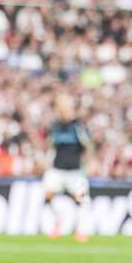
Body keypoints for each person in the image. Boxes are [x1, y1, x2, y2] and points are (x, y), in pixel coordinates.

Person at [42, 93, 91, 243]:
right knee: (48, 196)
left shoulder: (79, 126)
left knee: (81, 200)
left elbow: (88, 146)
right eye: (61, 106)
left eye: (66, 106)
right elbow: (50, 145)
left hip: (77, 170)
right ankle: (58, 220)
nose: (63, 110)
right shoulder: (55, 126)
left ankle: (81, 231)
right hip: (57, 168)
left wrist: (89, 164)